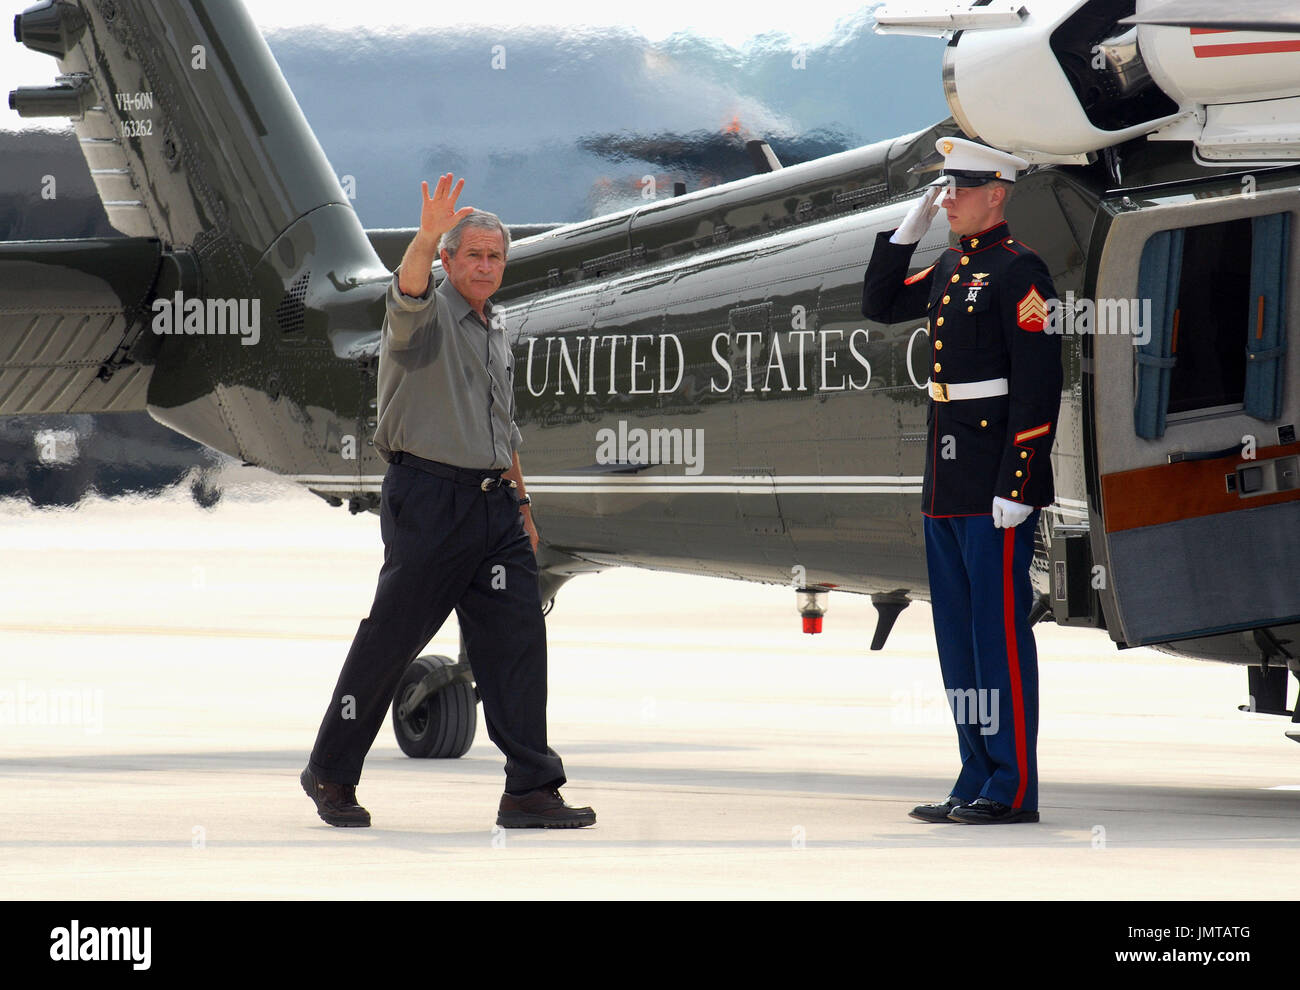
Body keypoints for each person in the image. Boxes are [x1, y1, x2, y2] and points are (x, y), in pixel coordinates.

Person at [301, 173, 595, 829]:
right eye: (473, 255)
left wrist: (521, 504)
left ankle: (529, 790)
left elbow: (503, 425)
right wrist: (425, 235)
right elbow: (405, 289)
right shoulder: (425, 315)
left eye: (495, 256)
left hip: (495, 507)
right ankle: (329, 772)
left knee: (517, 646)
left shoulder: (495, 328)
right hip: (430, 498)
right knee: (390, 645)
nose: (485, 266)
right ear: (449, 261)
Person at [862, 138, 1062, 825]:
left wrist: (1020, 481)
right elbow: (880, 304)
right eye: (944, 190)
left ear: (998, 193)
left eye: (959, 190)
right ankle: (975, 772)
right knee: (955, 636)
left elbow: (1039, 388)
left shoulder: (1020, 272)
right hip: (947, 478)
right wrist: (902, 235)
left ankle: (1011, 787)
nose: (947, 200)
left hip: (995, 484)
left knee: (996, 634)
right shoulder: (952, 264)